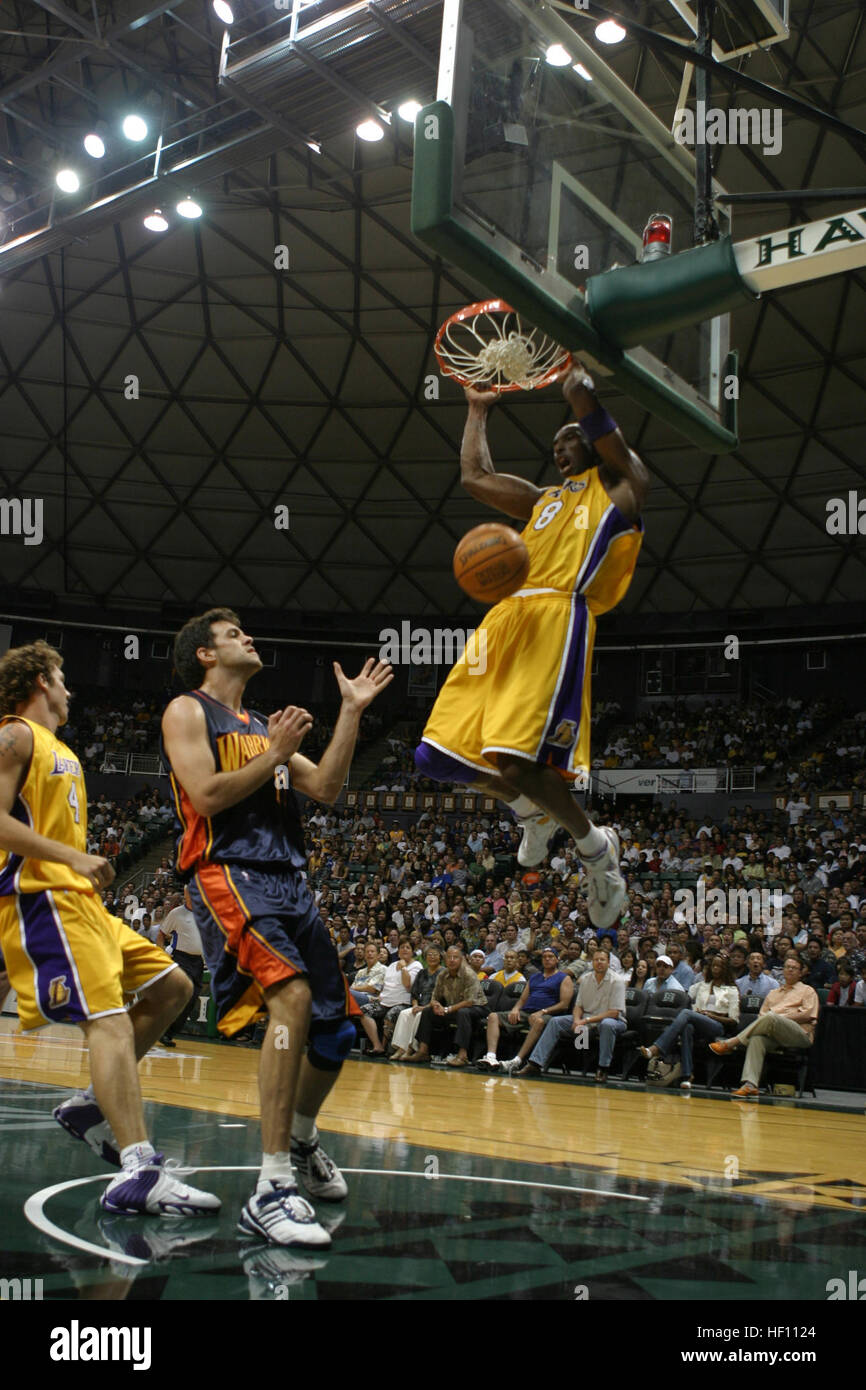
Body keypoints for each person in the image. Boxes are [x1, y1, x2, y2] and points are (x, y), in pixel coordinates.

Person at [161, 607, 392, 1247]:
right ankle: (271, 1187)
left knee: (337, 1031)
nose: (248, 638)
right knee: (289, 998)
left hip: (290, 879)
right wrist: (279, 754)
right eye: (233, 634)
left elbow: (327, 788)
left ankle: (301, 1136)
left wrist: (351, 712)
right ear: (206, 655)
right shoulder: (188, 711)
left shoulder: (264, 727)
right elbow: (205, 797)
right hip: (231, 871)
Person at [413, 365, 649, 929]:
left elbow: (601, 427)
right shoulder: (543, 500)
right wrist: (477, 410)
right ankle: (532, 816)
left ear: (594, 441)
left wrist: (575, 383)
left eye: (570, 438)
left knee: (519, 761)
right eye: (555, 445)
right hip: (504, 620)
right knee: (436, 756)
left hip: (556, 617)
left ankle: (597, 852)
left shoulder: (622, 487)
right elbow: (474, 476)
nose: (559, 449)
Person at [0, 641, 219, 1217]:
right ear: (42, 680)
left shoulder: (58, 748)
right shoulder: (16, 734)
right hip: (44, 898)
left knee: (174, 989)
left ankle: (90, 1106)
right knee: (110, 1021)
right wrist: (68, 858)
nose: (70, 688)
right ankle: (139, 1169)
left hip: (84, 905)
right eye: (64, 676)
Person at [711, 955, 820, 1098]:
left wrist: (780, 1017)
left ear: (801, 972)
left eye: (794, 968)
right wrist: (782, 1016)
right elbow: (761, 1018)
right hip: (774, 1034)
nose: (790, 970)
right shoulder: (773, 993)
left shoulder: (807, 990)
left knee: (771, 1016)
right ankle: (750, 1085)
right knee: (757, 1039)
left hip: (799, 1034)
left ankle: (732, 1042)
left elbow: (808, 1014)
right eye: (787, 967)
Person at [517, 948, 626, 1082]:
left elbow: (614, 1013)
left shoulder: (617, 981)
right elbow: (578, 1006)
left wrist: (584, 1021)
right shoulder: (585, 979)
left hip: (613, 1021)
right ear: (592, 962)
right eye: (596, 960)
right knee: (555, 1022)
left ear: (608, 962)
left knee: (607, 1025)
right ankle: (535, 1064)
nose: (599, 963)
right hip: (586, 1018)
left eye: (602, 960)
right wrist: (576, 1020)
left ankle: (603, 1068)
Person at [640, 954, 740, 1091]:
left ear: (725, 969)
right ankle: (687, 1076)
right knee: (687, 1028)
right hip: (698, 1021)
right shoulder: (702, 986)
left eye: (719, 966)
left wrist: (712, 1015)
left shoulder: (732, 990)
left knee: (686, 1014)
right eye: (713, 965)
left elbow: (733, 1020)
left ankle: (656, 1048)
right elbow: (682, 996)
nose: (715, 968)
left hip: (717, 1026)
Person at [484, 947, 574, 1070]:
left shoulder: (564, 978)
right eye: (544, 957)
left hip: (547, 1014)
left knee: (539, 1021)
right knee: (493, 1016)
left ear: (557, 960)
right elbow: (522, 1000)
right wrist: (515, 1009)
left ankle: (517, 1060)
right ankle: (491, 1057)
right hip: (526, 1012)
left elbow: (564, 1004)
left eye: (550, 957)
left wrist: (543, 1011)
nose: (547, 959)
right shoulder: (534, 977)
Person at [403, 945, 488, 1068]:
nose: (452, 960)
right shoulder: (442, 974)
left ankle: (462, 1055)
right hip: (453, 1008)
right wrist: (436, 1005)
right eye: (449, 957)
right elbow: (434, 997)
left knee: (463, 1012)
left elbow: (469, 1001)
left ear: (461, 959)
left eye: (455, 957)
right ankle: (423, 1051)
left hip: (478, 1008)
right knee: (427, 1011)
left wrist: (448, 1009)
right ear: (445, 959)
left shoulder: (469, 974)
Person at [157, 887, 206, 1048]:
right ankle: (160, 1029)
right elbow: (161, 934)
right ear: (185, 895)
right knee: (182, 995)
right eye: (189, 892)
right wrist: (161, 953)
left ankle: (168, 1033)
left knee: (191, 1001)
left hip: (198, 962)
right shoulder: (176, 913)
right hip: (181, 958)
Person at [357, 940, 422, 1056]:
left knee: (390, 1015)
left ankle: (385, 1048)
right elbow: (386, 985)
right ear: (398, 951)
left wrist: (403, 968)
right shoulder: (392, 965)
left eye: (408, 947)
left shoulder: (416, 966)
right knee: (364, 1011)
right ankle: (377, 1045)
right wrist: (379, 997)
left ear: (412, 952)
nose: (404, 950)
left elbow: (408, 986)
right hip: (385, 1001)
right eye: (402, 947)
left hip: (403, 1002)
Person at [390, 945, 443, 1060]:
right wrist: (415, 1005)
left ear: (440, 957)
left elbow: (441, 997)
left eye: (435, 955)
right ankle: (401, 1048)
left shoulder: (443, 973)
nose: (432, 957)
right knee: (405, 1013)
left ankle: (410, 1048)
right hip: (419, 1005)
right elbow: (414, 992)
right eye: (429, 955)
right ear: (425, 957)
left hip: (433, 1008)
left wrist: (424, 1008)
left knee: (420, 1015)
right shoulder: (422, 972)